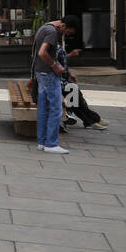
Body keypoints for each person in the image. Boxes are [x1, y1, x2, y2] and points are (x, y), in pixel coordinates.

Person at [32, 13, 78, 154]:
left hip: (40, 73)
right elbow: (42, 52)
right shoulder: (52, 32)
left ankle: (42, 141)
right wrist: (55, 65)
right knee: (56, 109)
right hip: (49, 74)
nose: (65, 35)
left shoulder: (45, 28)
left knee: (43, 108)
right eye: (66, 32)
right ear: (63, 25)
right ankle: (51, 144)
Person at [58, 39, 109, 131]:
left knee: (75, 97)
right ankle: (93, 119)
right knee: (74, 96)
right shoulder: (52, 49)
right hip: (55, 84)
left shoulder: (57, 48)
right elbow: (55, 66)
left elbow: (62, 64)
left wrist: (69, 74)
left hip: (61, 83)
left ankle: (91, 120)